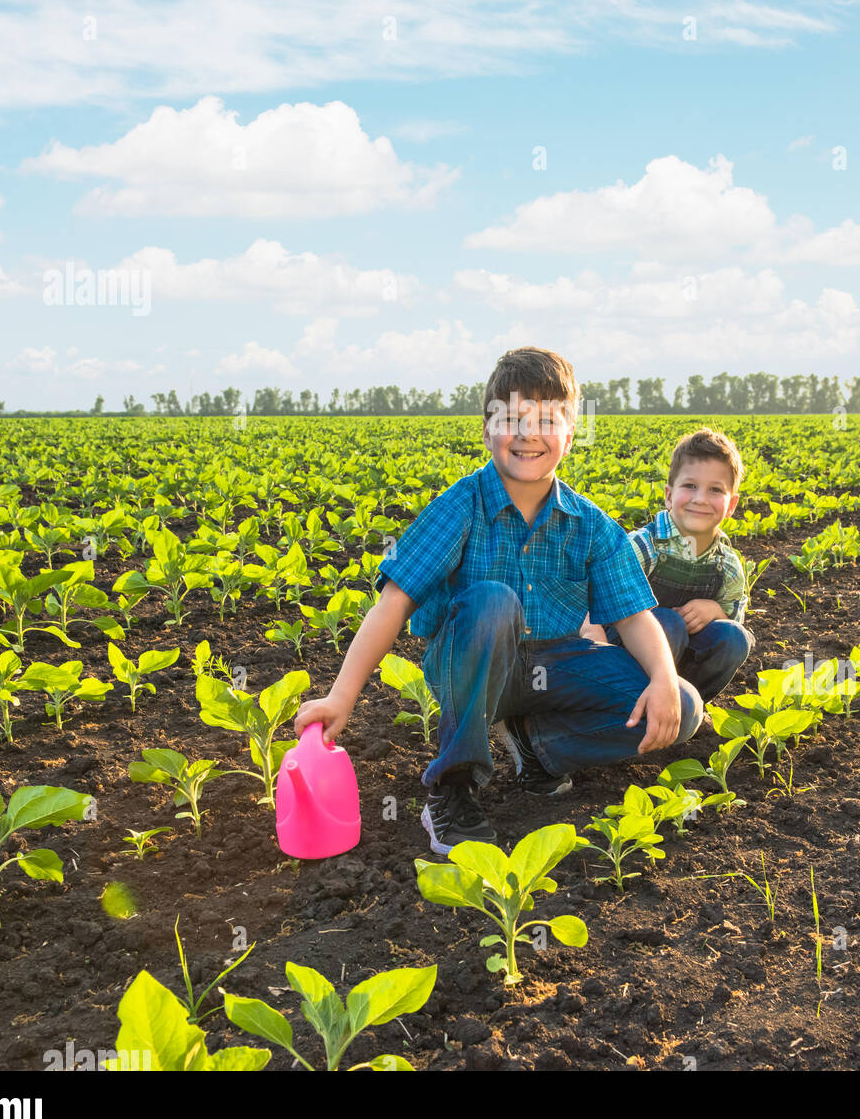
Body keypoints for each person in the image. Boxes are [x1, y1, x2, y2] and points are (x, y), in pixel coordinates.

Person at [292, 346, 704, 854]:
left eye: (547, 420)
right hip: (471, 664)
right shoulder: (461, 505)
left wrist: (663, 679)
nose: (529, 434)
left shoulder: (591, 523)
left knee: (683, 707)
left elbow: (635, 618)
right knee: (491, 600)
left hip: (556, 666)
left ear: (569, 437)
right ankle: (452, 787)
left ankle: (539, 748)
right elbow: (393, 604)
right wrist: (341, 697)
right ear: (488, 430)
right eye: (513, 418)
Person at [582, 428, 753, 704]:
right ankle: (631, 706)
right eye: (690, 486)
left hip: (681, 657)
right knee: (669, 623)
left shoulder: (727, 565)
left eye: (715, 490)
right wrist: (594, 640)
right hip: (625, 650)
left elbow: (736, 614)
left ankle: (689, 705)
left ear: (731, 504)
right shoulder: (646, 545)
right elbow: (595, 588)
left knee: (733, 637)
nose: (700, 499)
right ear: (669, 495)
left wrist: (716, 610)